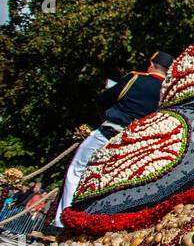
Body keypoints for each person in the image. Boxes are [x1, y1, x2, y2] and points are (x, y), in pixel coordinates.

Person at [56, 52, 173, 226]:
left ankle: (62, 221)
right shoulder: (167, 92)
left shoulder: (136, 78)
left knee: (77, 170)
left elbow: (105, 98)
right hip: (134, 144)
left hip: (108, 134)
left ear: (151, 64)